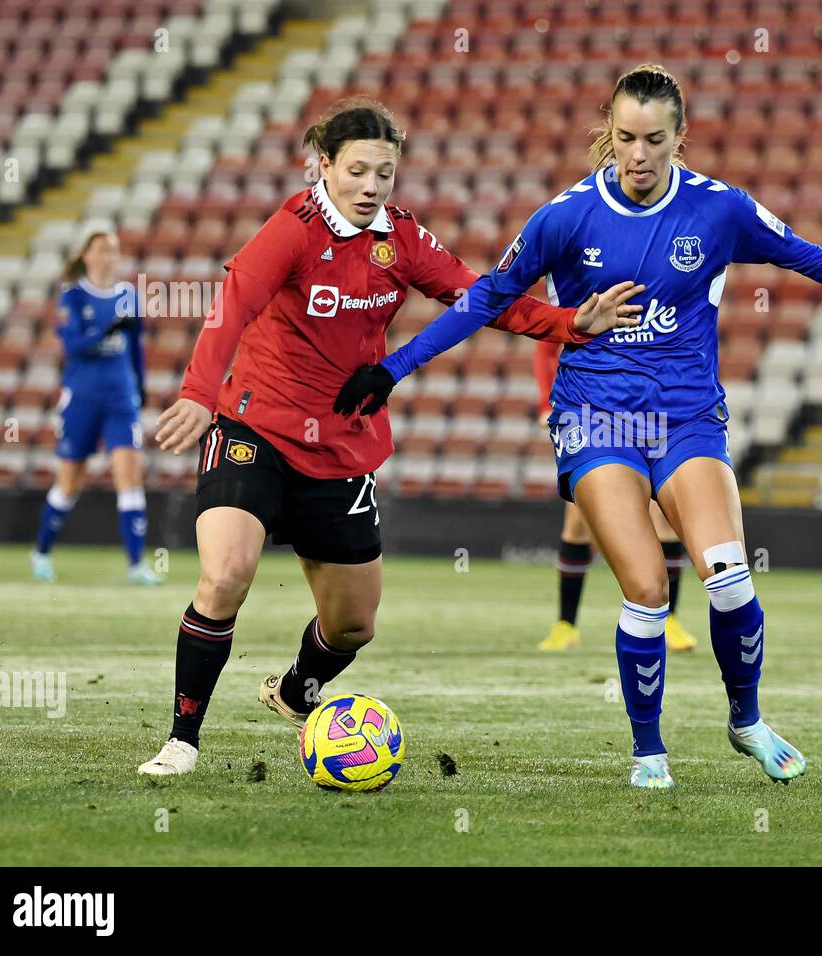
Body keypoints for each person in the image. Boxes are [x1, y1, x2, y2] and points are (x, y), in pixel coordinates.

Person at [332, 67, 822, 789]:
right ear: (609, 131)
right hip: (594, 415)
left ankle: (747, 722)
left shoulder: (719, 209)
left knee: (730, 578)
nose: (638, 155)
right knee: (645, 589)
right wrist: (395, 368)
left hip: (685, 415)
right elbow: (487, 297)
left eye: (654, 140)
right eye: (626, 138)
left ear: (681, 137)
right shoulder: (566, 216)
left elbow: (811, 258)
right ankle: (649, 754)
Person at [138, 97, 645, 776]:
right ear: (324, 165)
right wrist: (201, 394)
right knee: (226, 573)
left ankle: (295, 692)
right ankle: (182, 740)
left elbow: (477, 295)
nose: (371, 185)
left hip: (343, 449)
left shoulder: (400, 239)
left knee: (353, 626)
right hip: (254, 429)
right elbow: (234, 304)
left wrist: (568, 323)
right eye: (357, 170)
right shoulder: (292, 228)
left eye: (384, 172)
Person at [533, 339, 697, 652]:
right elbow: (546, 348)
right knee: (579, 520)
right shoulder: (584, 293)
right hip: (593, 407)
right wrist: (546, 402)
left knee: (659, 515)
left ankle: (669, 621)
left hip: (649, 408)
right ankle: (565, 625)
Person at [32, 228, 160, 586]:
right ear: (87, 255)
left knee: (130, 476)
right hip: (82, 396)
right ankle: (41, 553)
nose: (108, 257)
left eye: (113, 251)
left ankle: (136, 566)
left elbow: (136, 347)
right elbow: (72, 345)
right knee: (70, 480)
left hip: (120, 397)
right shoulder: (72, 296)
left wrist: (140, 384)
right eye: (101, 250)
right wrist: (106, 331)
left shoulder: (128, 295)